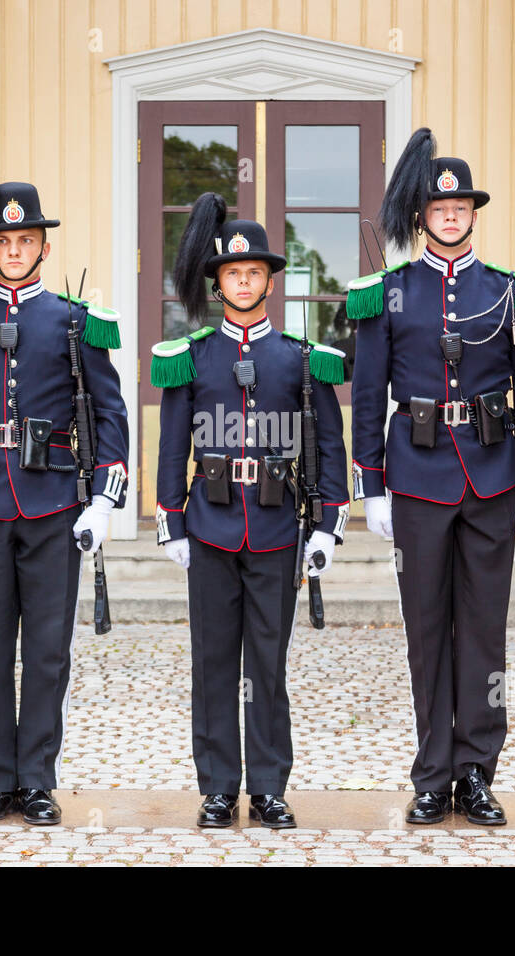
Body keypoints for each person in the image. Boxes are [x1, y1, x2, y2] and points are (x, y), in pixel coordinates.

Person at [346, 128, 515, 825]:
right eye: (440, 208)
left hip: (493, 476)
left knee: (483, 635)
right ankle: (432, 774)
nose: (451, 215)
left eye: (462, 206)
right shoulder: (387, 294)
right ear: (423, 216)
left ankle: (477, 772)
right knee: (426, 631)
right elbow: (367, 391)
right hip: (415, 477)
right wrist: (370, 485)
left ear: (473, 213)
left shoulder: (509, 293)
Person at [0, 160, 129, 825]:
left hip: (54, 505)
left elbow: (112, 413)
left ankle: (36, 778)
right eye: (4, 243)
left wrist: (103, 499)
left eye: (26, 241)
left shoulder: (76, 322)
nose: (15, 251)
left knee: (45, 650)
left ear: (43, 245)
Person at [151, 192, 349, 828]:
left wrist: (326, 525)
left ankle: (268, 786)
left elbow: (328, 443)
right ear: (219, 281)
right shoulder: (193, 356)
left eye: (254, 273)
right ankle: (216, 787)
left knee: (267, 662)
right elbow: (172, 438)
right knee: (212, 662)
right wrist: (170, 520)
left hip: (274, 529)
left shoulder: (298, 358)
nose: (243, 281)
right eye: (233, 273)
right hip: (209, 525)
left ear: (269, 280)